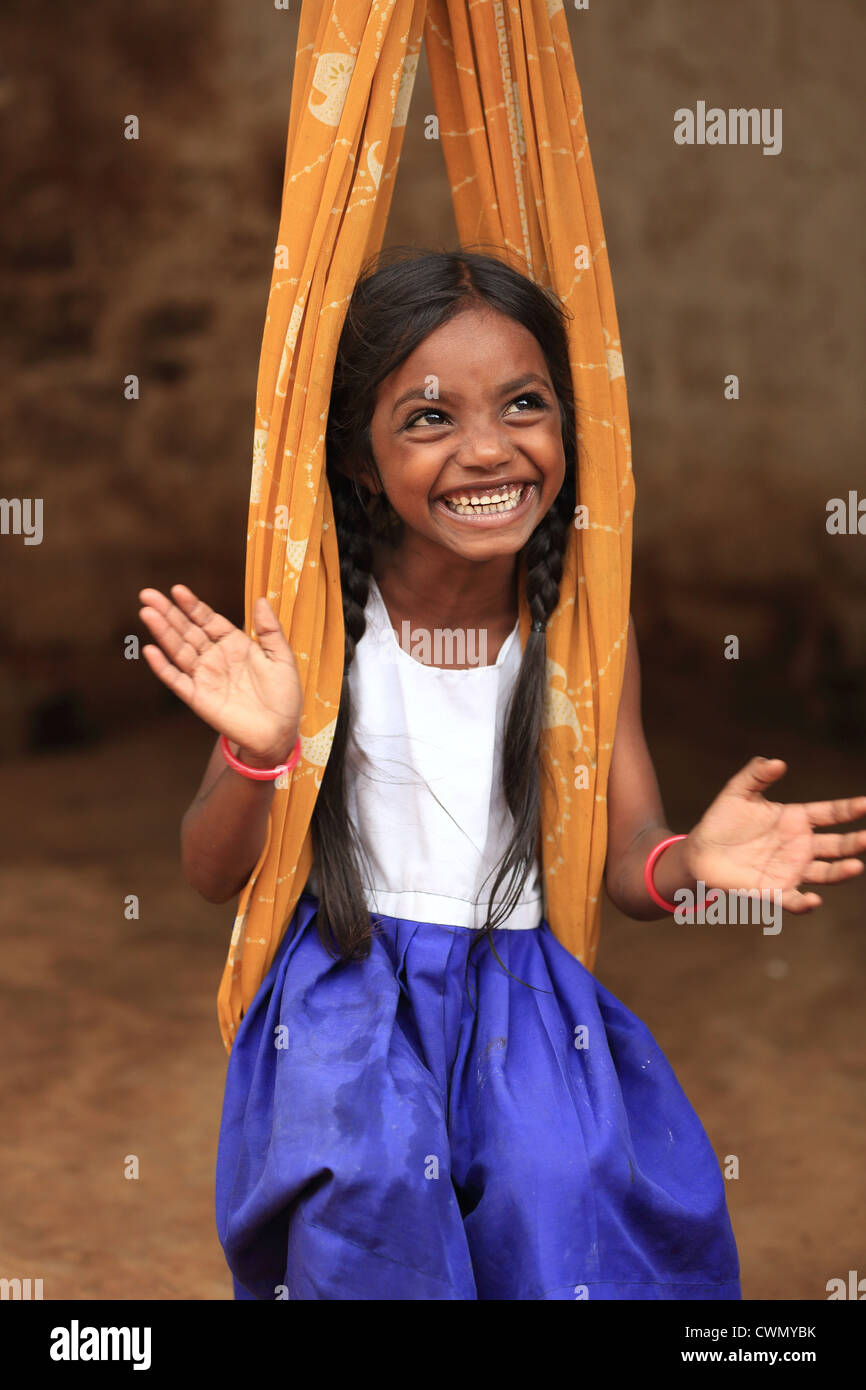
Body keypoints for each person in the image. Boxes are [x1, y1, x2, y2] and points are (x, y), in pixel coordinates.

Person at [138, 250, 866, 1300]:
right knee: (372, 1193)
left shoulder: (577, 637)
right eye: (428, 418)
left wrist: (689, 861)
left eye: (523, 404)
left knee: (561, 1192)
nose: (488, 450)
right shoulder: (313, 631)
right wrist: (262, 752)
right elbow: (210, 872)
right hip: (346, 995)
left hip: (521, 998)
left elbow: (630, 863)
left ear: (566, 426)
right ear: (358, 458)